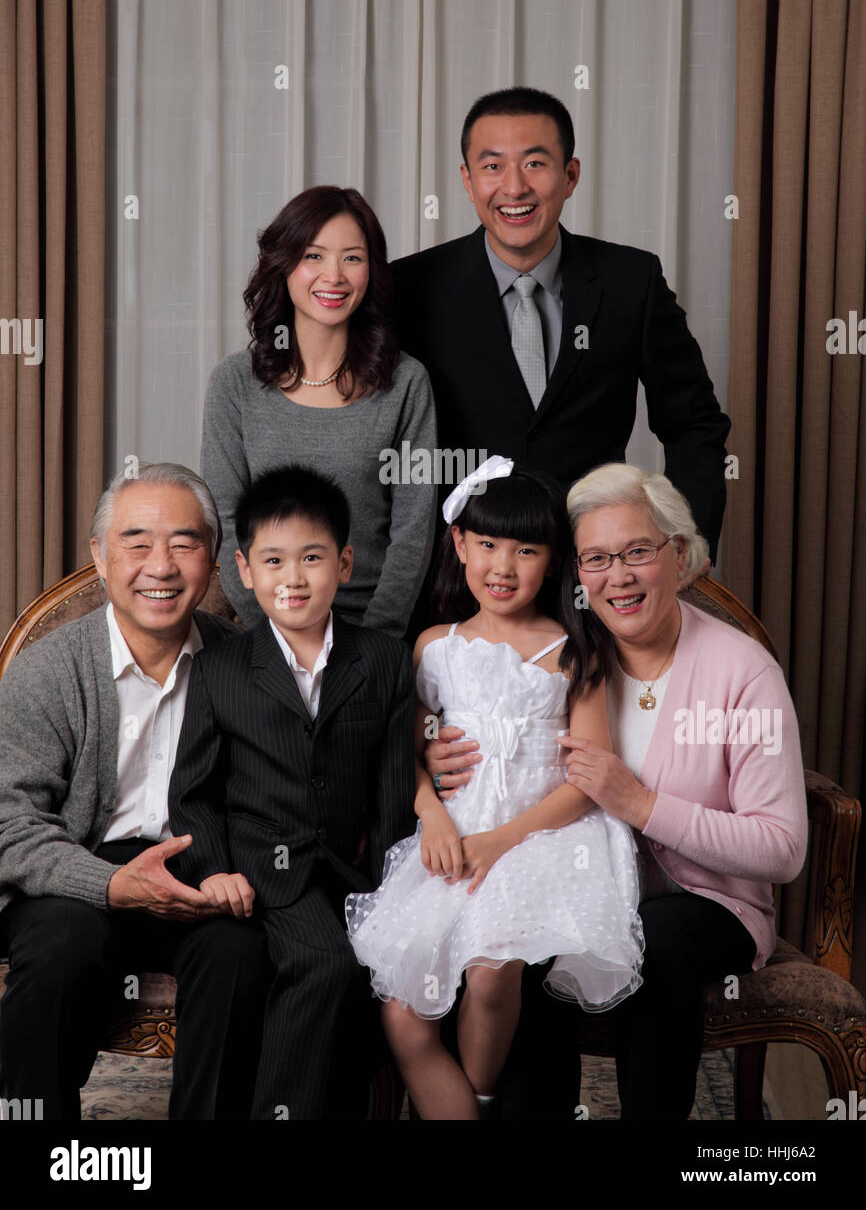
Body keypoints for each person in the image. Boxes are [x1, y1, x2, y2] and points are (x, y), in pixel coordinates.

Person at [428, 463, 808, 1119]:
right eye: (597, 559)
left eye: (637, 552)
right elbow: (486, 732)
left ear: (680, 557)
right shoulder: (564, 652)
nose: (618, 577)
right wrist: (440, 753)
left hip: (706, 904)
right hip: (573, 886)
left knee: (650, 941)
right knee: (526, 940)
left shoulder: (743, 671)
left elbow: (782, 850)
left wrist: (640, 805)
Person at [345, 457, 643, 1120]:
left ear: (553, 559)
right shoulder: (433, 647)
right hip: (453, 835)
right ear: (458, 544)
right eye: (487, 545)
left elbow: (588, 782)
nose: (503, 567)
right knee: (401, 1010)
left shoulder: (574, 651)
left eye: (526, 551)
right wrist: (432, 812)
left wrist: (500, 841)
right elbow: (406, 754)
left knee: (491, 968)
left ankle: (477, 1096)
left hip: (541, 836)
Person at [0, 463, 272, 1121]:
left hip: (200, 870)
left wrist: (233, 872)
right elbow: (9, 822)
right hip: (77, 871)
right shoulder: (49, 670)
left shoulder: (245, 663)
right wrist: (111, 885)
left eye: (184, 543)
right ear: (100, 556)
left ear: (213, 559)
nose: (162, 566)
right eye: (137, 543)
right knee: (60, 948)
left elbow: (275, 798)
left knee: (240, 952)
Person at [168, 465, 416, 1120]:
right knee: (327, 963)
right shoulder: (220, 669)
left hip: (353, 874)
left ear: (345, 563)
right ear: (244, 570)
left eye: (312, 557)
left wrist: (392, 891)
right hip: (262, 871)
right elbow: (191, 793)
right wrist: (214, 870)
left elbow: (394, 791)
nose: (294, 578)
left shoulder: (384, 659)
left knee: (376, 970)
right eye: (273, 560)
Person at [392, 85, 729, 561]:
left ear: (570, 175)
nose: (514, 188)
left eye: (535, 163)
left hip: (596, 567)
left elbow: (693, 423)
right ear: (467, 180)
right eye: (492, 166)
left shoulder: (631, 281)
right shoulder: (410, 288)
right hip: (460, 571)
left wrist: (686, 545)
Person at [201, 184, 437, 638]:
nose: (334, 276)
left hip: (373, 635)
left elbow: (413, 530)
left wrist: (374, 643)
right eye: (313, 256)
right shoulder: (235, 383)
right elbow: (226, 524)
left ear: (371, 270)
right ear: (284, 264)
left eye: (352, 258)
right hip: (267, 635)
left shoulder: (406, 382)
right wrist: (279, 640)